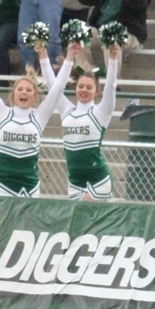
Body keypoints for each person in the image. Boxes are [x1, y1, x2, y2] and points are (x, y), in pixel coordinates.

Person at [0, 36, 72, 196]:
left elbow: (58, 87)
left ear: (34, 96)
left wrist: (68, 56)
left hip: (29, 188)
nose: (24, 92)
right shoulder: (1, 112)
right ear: (13, 94)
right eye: (20, 89)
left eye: (28, 90)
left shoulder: (40, 115)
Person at [44, 41, 120, 200]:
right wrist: (46, 54)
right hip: (74, 182)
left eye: (89, 87)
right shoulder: (67, 110)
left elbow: (111, 87)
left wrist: (113, 59)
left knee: (86, 212)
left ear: (97, 91)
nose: (84, 90)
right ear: (75, 88)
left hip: (98, 180)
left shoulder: (100, 112)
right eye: (81, 86)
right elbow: (53, 86)